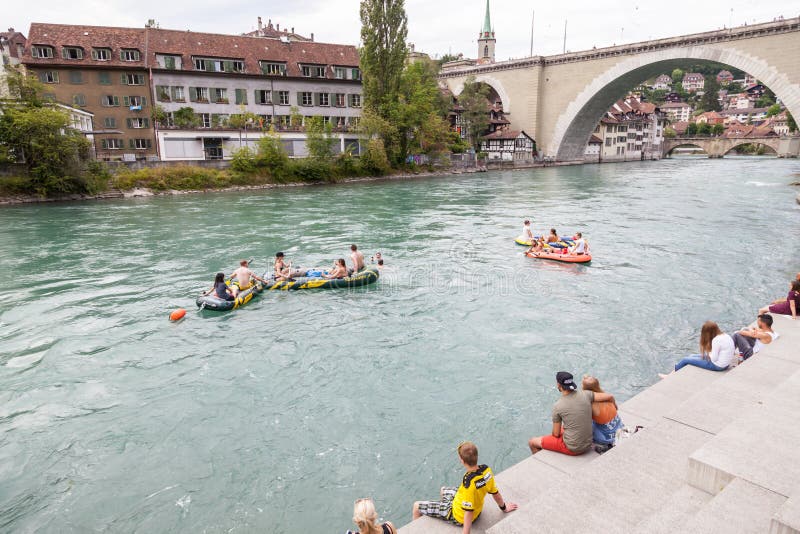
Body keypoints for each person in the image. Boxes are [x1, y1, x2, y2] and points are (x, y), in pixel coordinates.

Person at [412, 441, 517, 533]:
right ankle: (442, 508)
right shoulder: (486, 471)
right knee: (443, 490)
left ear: (462, 461)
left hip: (458, 515)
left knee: (416, 506)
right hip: (476, 509)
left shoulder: (468, 483)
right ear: (477, 456)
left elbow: (468, 512)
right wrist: (504, 508)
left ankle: (442, 515)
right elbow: (496, 493)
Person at [528, 371, 615, 456]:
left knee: (532, 442)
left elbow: (556, 434)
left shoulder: (558, 406)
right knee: (566, 427)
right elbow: (609, 396)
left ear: (558, 385)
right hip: (588, 442)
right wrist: (615, 406)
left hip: (573, 448)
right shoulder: (586, 394)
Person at [666, 321, 735, 374]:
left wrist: (709, 352)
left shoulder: (716, 340)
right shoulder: (725, 335)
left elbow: (714, 358)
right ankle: (671, 374)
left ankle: (671, 375)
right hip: (725, 364)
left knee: (685, 360)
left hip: (718, 366)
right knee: (691, 356)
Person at [581, 375, 624, 453]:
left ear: (584, 389)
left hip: (606, 437)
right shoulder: (606, 396)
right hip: (620, 428)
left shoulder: (590, 404)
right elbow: (616, 408)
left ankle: (601, 445)